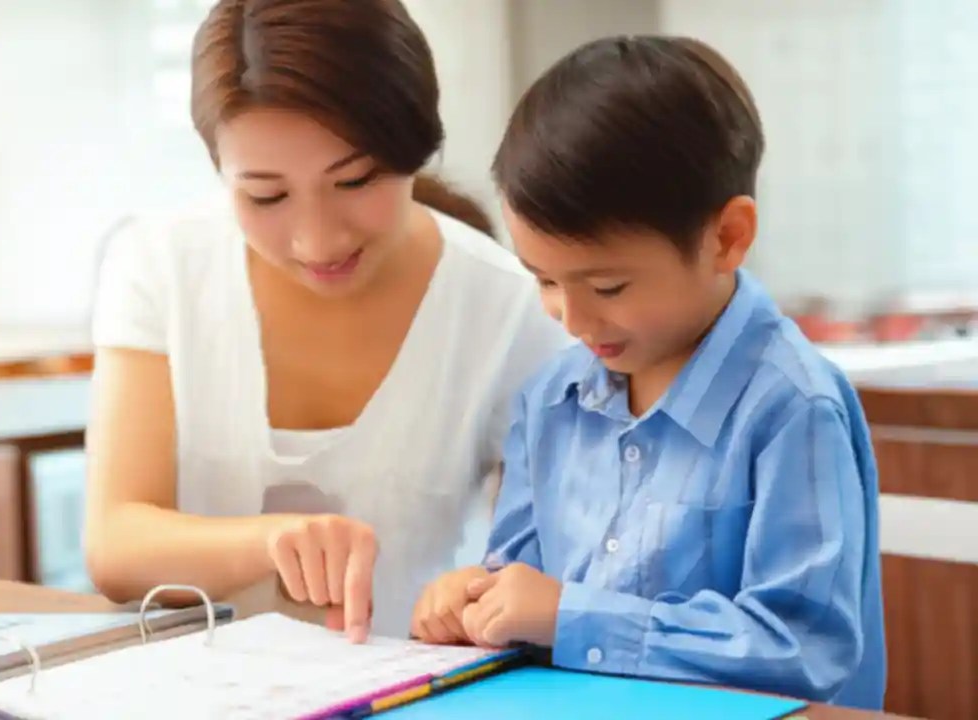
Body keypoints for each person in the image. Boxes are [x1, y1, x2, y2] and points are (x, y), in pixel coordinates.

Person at [412, 36, 886, 709]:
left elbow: (803, 649)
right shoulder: (550, 401)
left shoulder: (792, 406)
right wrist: (471, 605)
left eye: (607, 287)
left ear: (726, 238)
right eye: (543, 280)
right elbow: (522, 591)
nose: (570, 318)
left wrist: (570, 615)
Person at [83, 0, 565, 642]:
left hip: (404, 687)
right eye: (266, 195)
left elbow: (548, 562)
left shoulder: (510, 307)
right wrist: (273, 540)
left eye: (356, 180)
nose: (316, 242)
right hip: (187, 684)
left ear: (413, 145)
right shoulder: (159, 264)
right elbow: (114, 544)